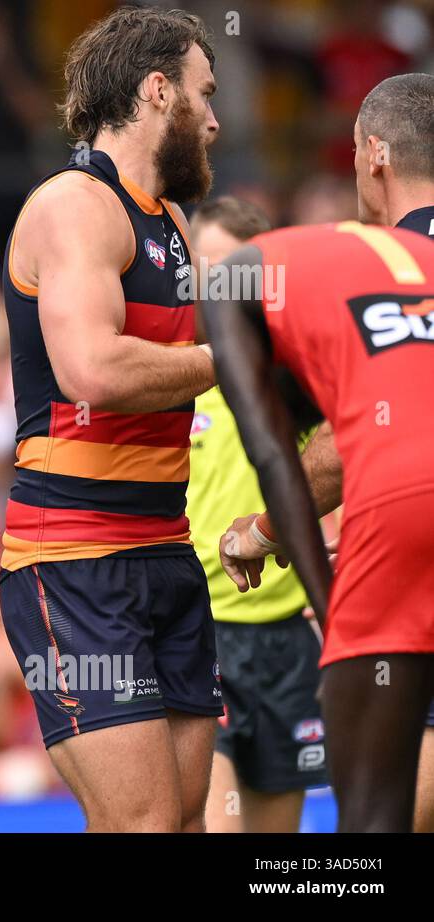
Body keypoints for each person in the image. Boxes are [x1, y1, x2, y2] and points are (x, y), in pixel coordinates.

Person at [0, 7, 221, 831]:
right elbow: (92, 369)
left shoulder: (175, 223)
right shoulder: (74, 204)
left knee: (185, 820)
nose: (216, 117)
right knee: (147, 824)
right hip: (75, 557)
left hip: (166, 545)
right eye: (204, 93)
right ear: (156, 91)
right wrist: (232, 362)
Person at [215, 73, 434, 832]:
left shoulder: (365, 262)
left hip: (402, 538)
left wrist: (268, 533)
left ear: (373, 155)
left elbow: (363, 443)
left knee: (378, 820)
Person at [186, 197, 328, 833]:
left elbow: (356, 460)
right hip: (201, 634)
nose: (208, 290)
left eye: (225, 271)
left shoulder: (301, 374)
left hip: (288, 636)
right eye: (199, 273)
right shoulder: (168, 375)